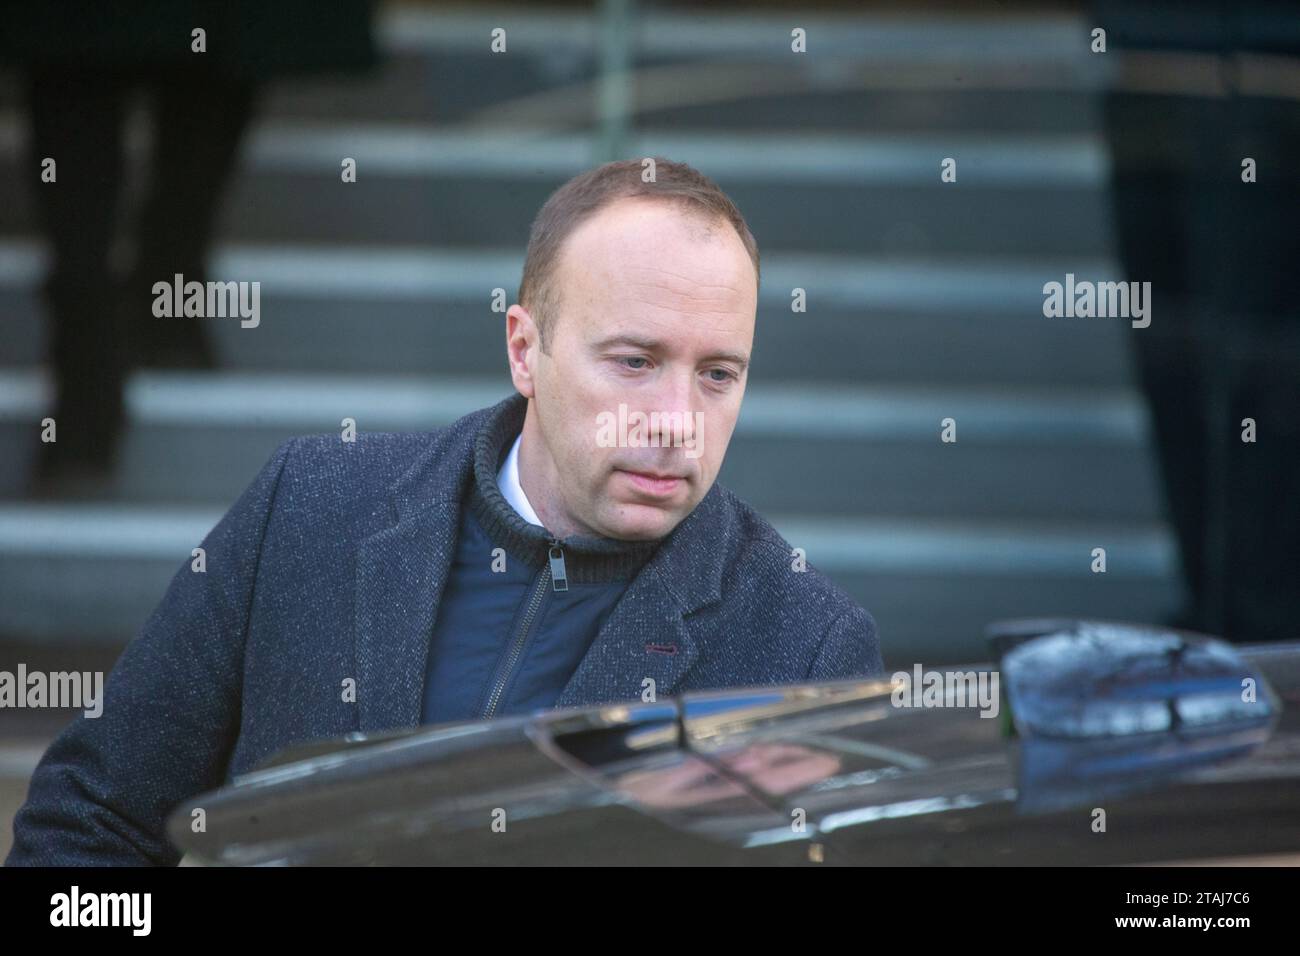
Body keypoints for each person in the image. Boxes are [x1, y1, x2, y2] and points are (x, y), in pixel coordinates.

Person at [6, 158, 882, 866]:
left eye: (718, 374)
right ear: (523, 350)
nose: (677, 421)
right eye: (634, 360)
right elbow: (89, 823)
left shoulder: (804, 644)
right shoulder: (312, 507)